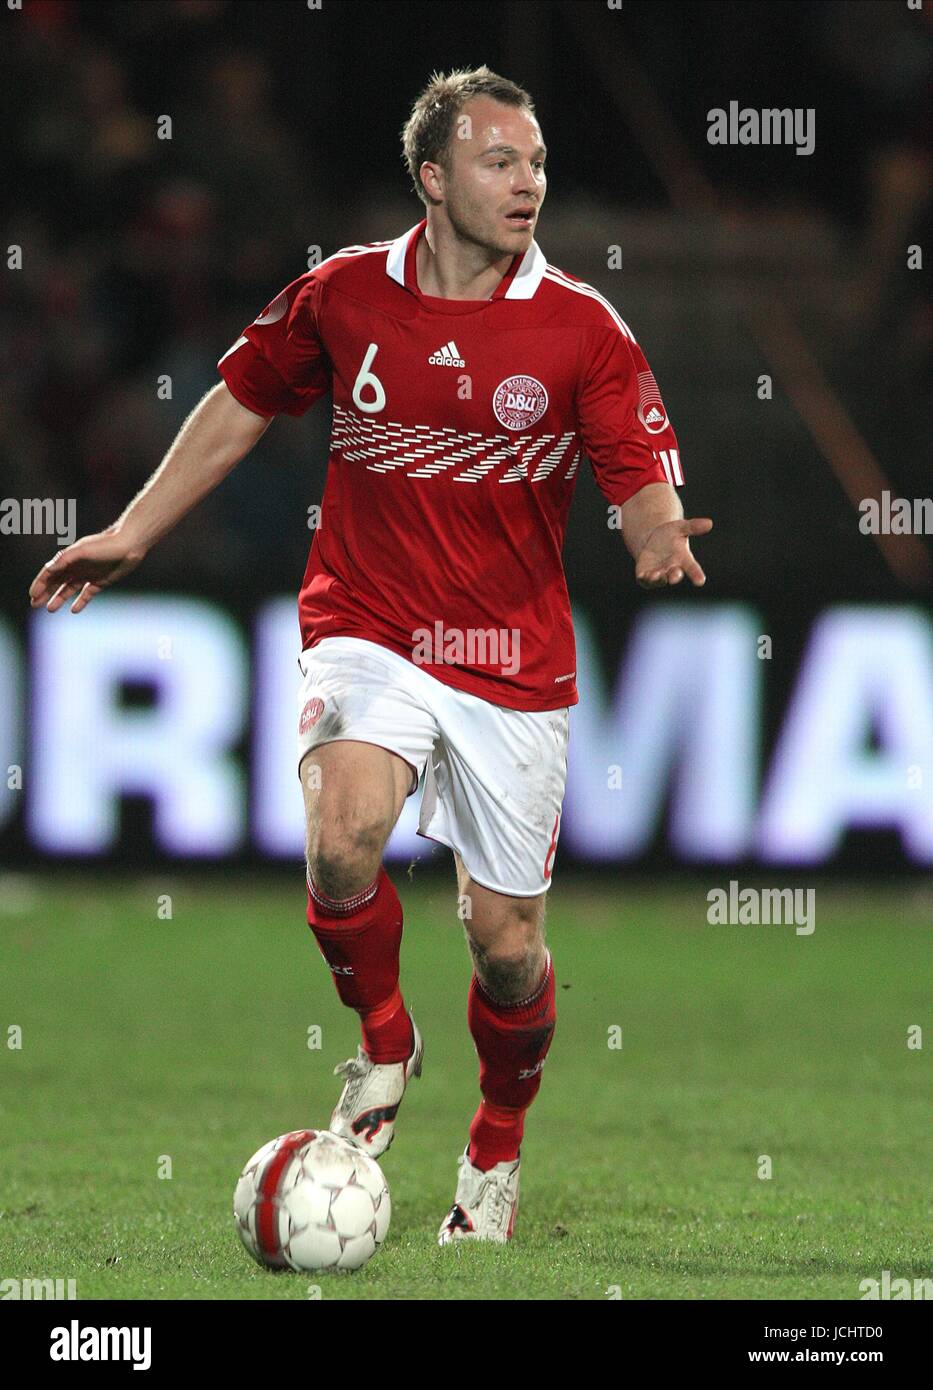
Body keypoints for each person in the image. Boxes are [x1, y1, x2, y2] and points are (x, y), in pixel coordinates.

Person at [29, 65, 711, 1247]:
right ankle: (385, 1039)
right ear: (434, 178)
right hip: (370, 624)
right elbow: (241, 400)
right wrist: (133, 529)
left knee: (506, 950)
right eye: (501, 161)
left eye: (537, 162)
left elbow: (640, 470)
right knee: (342, 837)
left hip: (511, 658)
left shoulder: (580, 325)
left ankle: (497, 1134)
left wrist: (656, 532)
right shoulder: (344, 295)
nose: (528, 183)